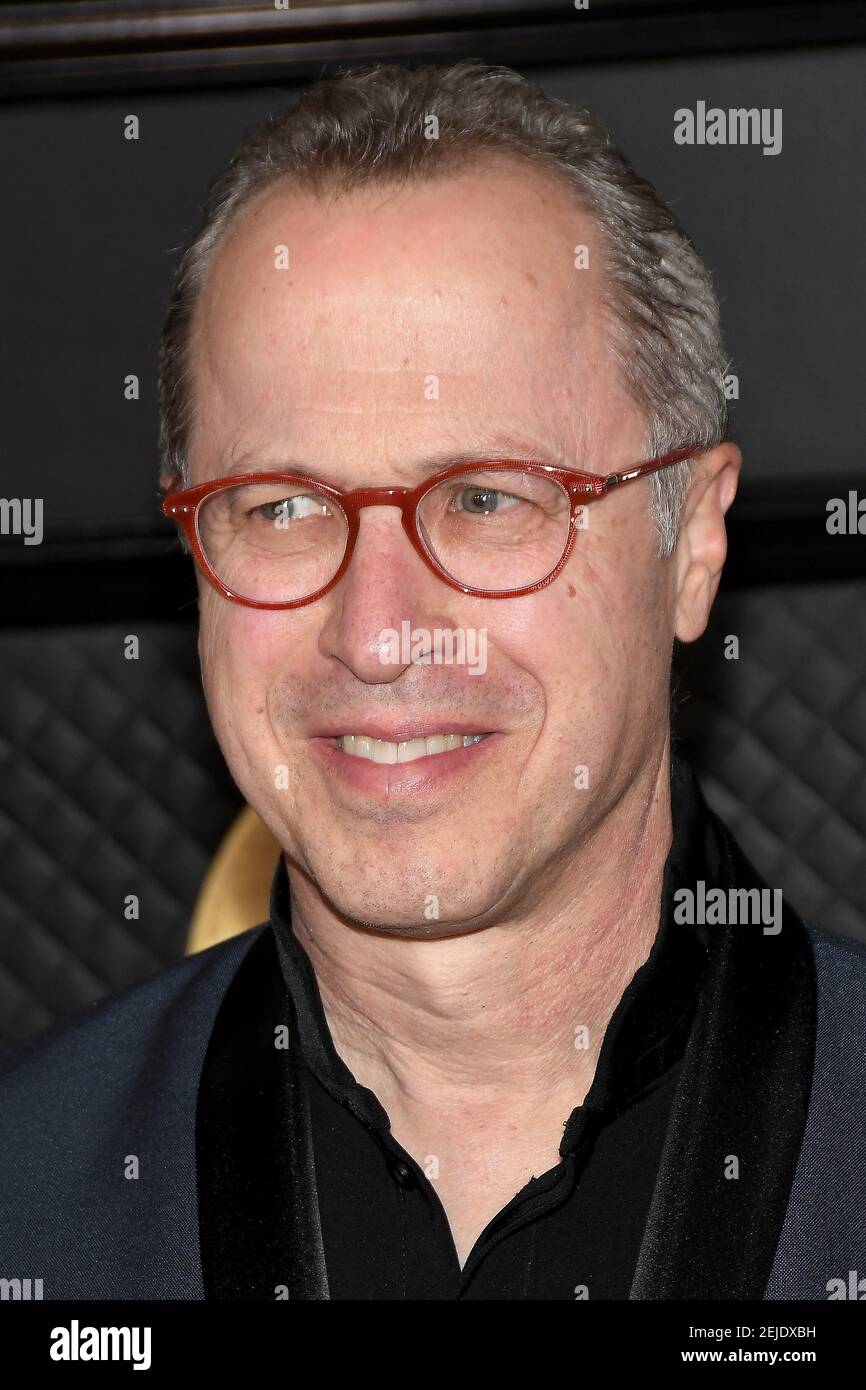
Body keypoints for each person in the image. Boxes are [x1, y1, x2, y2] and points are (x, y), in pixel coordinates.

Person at [1, 59, 864, 1302]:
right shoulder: (28, 1196)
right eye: (282, 505)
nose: (378, 631)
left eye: (484, 499)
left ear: (694, 544)